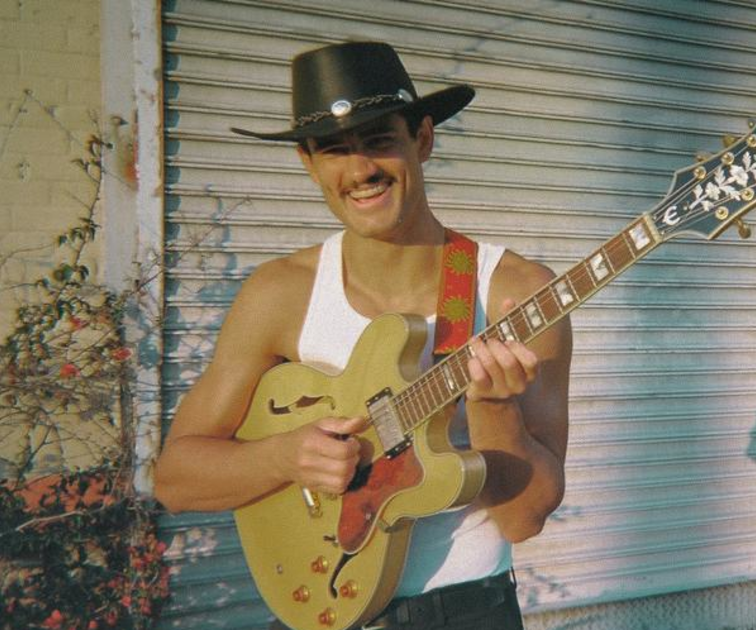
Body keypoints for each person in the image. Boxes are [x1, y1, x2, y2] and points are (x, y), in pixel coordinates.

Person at [153, 41, 571, 630]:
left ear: (422, 139)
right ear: (308, 161)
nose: (360, 171)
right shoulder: (279, 293)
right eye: (333, 150)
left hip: (466, 611)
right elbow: (174, 480)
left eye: (379, 140)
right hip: (323, 604)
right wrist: (286, 455)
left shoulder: (515, 293)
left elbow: (524, 519)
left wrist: (495, 408)